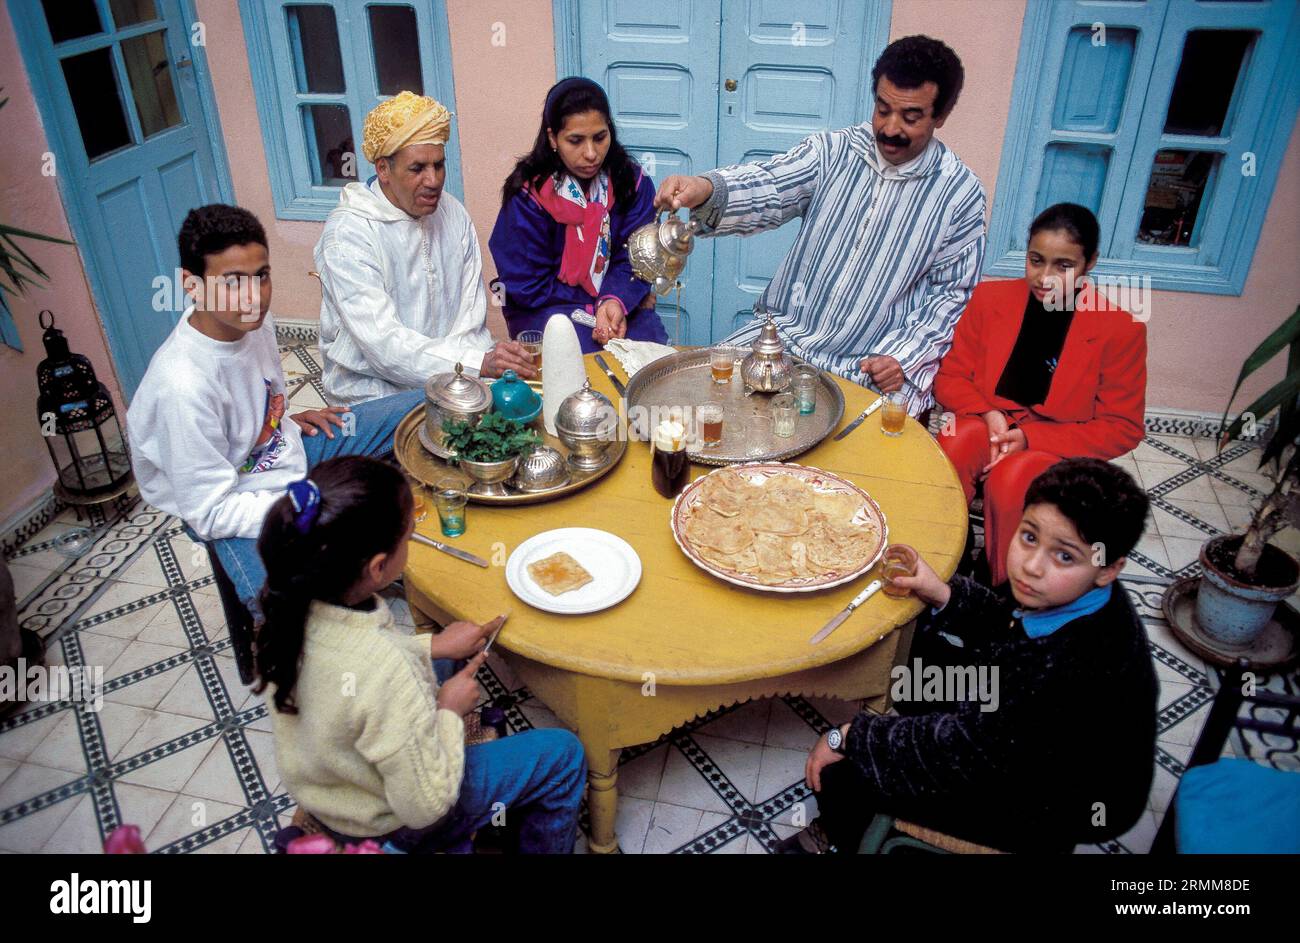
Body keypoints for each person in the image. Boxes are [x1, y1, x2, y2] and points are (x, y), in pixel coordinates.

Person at [781, 459, 1158, 854]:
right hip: (1020, 736)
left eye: (1064, 557)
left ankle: (836, 838)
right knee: (917, 665)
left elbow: (964, 750)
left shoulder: (1075, 663)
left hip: (1060, 800)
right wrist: (940, 590)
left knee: (849, 775)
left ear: (1108, 569)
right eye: (1029, 537)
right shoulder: (1073, 596)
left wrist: (852, 736)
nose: (1031, 566)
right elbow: (1006, 622)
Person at [256, 456, 586, 853]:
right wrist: (449, 712)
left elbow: (348, 667)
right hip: (393, 823)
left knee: (444, 659)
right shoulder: (384, 671)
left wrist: (434, 645)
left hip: (333, 791)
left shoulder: (288, 613)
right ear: (378, 568)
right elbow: (425, 806)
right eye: (409, 535)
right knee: (563, 754)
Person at [654, 35, 986, 415]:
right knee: (698, 409)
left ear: (940, 116)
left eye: (910, 118)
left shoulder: (960, 193)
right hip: (784, 340)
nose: (890, 128)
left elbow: (951, 294)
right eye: (882, 109)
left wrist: (903, 357)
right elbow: (771, 184)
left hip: (871, 364)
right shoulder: (834, 152)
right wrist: (706, 188)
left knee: (861, 465)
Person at [127, 204, 424, 615]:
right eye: (232, 282)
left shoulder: (253, 321)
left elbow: (251, 395)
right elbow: (210, 511)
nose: (254, 296)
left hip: (280, 450)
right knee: (295, 619)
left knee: (425, 408)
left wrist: (278, 422)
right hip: (230, 503)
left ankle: (398, 561)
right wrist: (310, 503)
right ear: (191, 285)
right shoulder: (182, 386)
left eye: (261, 276)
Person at [934, 203, 1146, 585]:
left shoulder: (1120, 329)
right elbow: (949, 377)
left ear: (1089, 263)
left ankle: (1000, 587)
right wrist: (989, 415)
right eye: (1036, 260)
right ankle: (945, 554)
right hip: (986, 421)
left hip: (1053, 440)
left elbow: (1123, 427)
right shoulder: (989, 299)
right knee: (955, 444)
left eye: (1063, 265)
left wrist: (1030, 437)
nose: (1044, 277)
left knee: (1013, 478)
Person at [315, 91, 536, 406]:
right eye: (417, 168)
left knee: (522, 412)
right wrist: (476, 364)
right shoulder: (349, 234)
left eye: (439, 165)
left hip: (459, 376)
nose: (433, 180)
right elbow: (384, 346)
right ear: (383, 170)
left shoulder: (453, 213)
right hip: (373, 391)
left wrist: (475, 370)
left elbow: (470, 321)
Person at [489, 77, 666, 352]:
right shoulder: (528, 196)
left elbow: (637, 258)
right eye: (575, 140)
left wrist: (617, 300)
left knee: (648, 352)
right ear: (552, 138)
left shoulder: (631, 183)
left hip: (614, 297)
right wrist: (594, 305)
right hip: (547, 308)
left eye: (600, 137)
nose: (591, 153)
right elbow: (525, 285)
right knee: (576, 358)